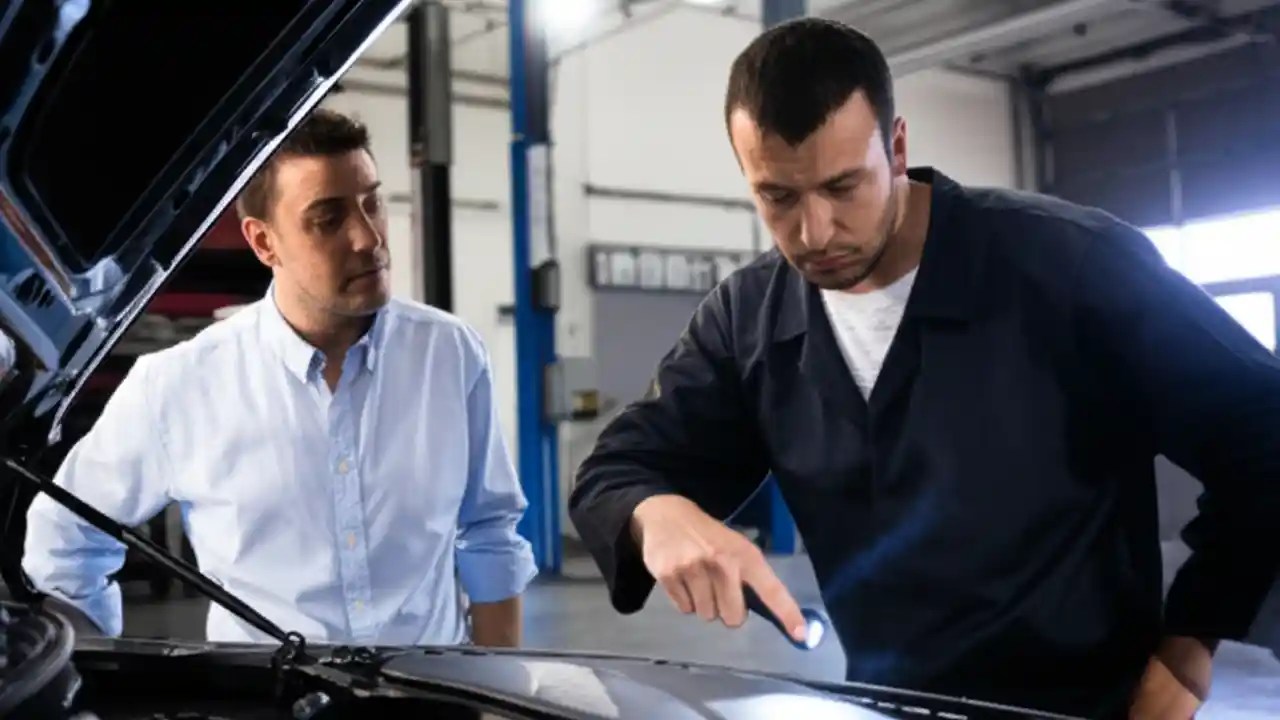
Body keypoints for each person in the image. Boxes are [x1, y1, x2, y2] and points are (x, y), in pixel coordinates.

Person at [568, 18, 1280, 720]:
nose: (814, 233)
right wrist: (653, 513)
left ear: (898, 147)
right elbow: (614, 473)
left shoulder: (1070, 268)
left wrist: (1190, 648)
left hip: (1088, 708)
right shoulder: (749, 320)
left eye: (843, 187)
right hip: (888, 707)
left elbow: (1263, 430)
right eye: (777, 197)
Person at [23, 108, 537, 647]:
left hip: (432, 694)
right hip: (269, 699)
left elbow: (489, 530)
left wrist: (494, 690)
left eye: (372, 202)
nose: (367, 237)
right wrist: (95, 673)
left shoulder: (449, 354)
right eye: (327, 219)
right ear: (264, 242)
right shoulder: (177, 385)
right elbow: (65, 538)